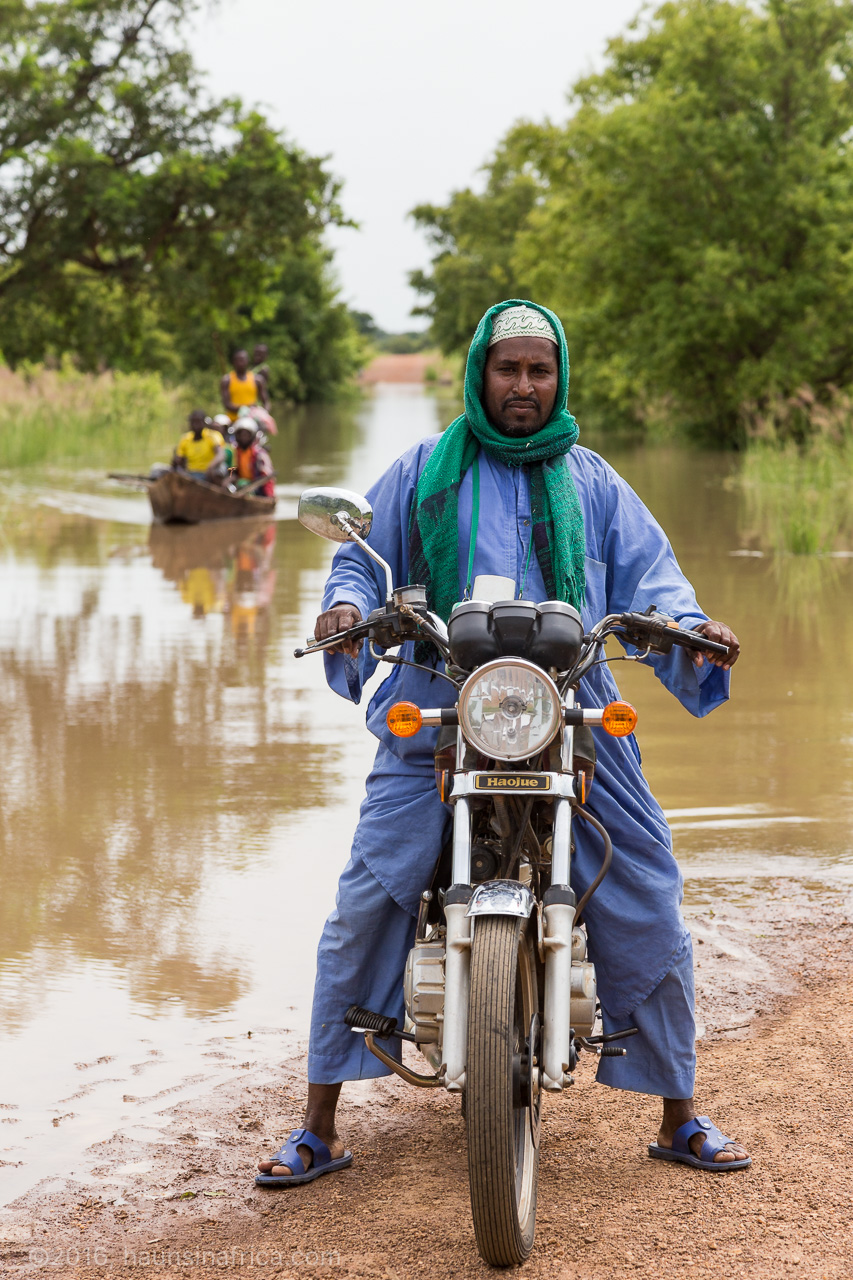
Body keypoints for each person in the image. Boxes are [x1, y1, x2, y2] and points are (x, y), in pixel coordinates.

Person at [257, 300, 750, 1188]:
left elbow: (654, 579)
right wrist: (344, 611)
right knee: (365, 898)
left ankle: (678, 1109)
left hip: (572, 709)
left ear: (559, 378)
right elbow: (358, 561)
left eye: (539, 370)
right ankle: (319, 1122)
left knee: (646, 884)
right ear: (479, 373)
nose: (522, 386)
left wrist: (687, 625)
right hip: (441, 700)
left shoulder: (594, 482)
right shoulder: (421, 473)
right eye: (507, 369)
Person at [173, 410, 227, 482]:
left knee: (220, 470)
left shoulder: (213, 436)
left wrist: (211, 467)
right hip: (191, 474)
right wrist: (177, 461)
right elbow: (179, 459)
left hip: (208, 473)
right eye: (193, 422)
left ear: (204, 423)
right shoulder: (185, 438)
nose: (196, 425)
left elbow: (221, 455)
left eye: (198, 422)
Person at [220, 349, 270, 423]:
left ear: (248, 361)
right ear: (233, 362)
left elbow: (266, 402)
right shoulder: (226, 380)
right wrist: (247, 408)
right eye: (238, 360)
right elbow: (226, 404)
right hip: (232, 419)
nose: (240, 363)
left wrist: (263, 414)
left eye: (243, 360)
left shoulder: (257, 380)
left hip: (252, 419)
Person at [232, 417, 275, 498]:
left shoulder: (259, 454)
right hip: (239, 486)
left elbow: (267, 476)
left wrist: (269, 495)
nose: (243, 437)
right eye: (241, 434)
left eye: (246, 435)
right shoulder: (234, 452)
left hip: (256, 489)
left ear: (251, 436)